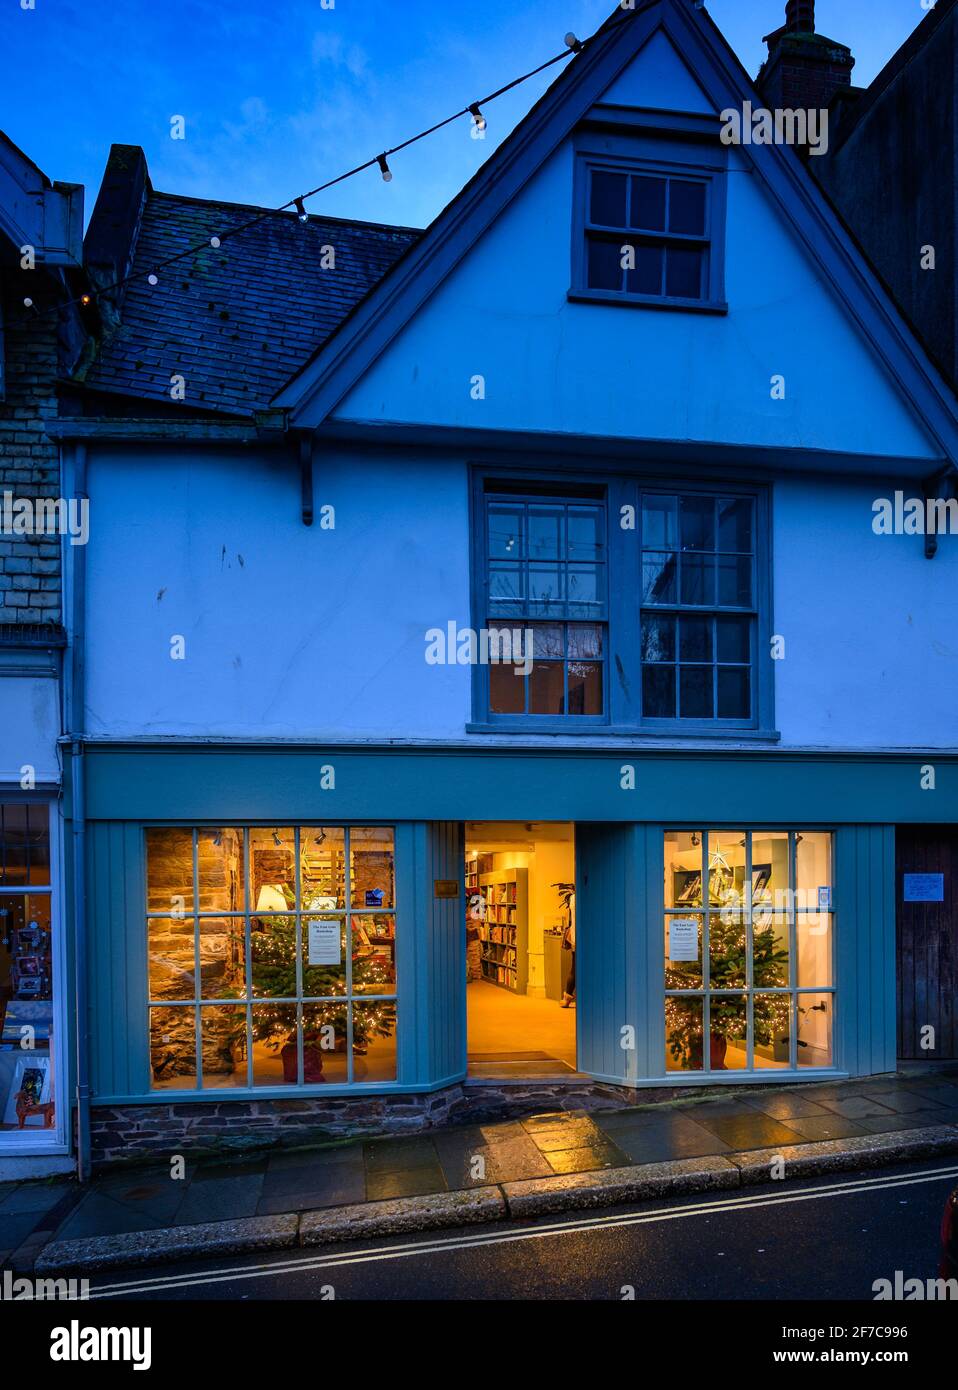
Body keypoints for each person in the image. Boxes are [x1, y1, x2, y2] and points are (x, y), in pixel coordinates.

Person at [560, 890, 576, 1007]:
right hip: (584, 940)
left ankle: (566, 998)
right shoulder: (581, 898)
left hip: (575, 939)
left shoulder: (572, 899)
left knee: (574, 969)